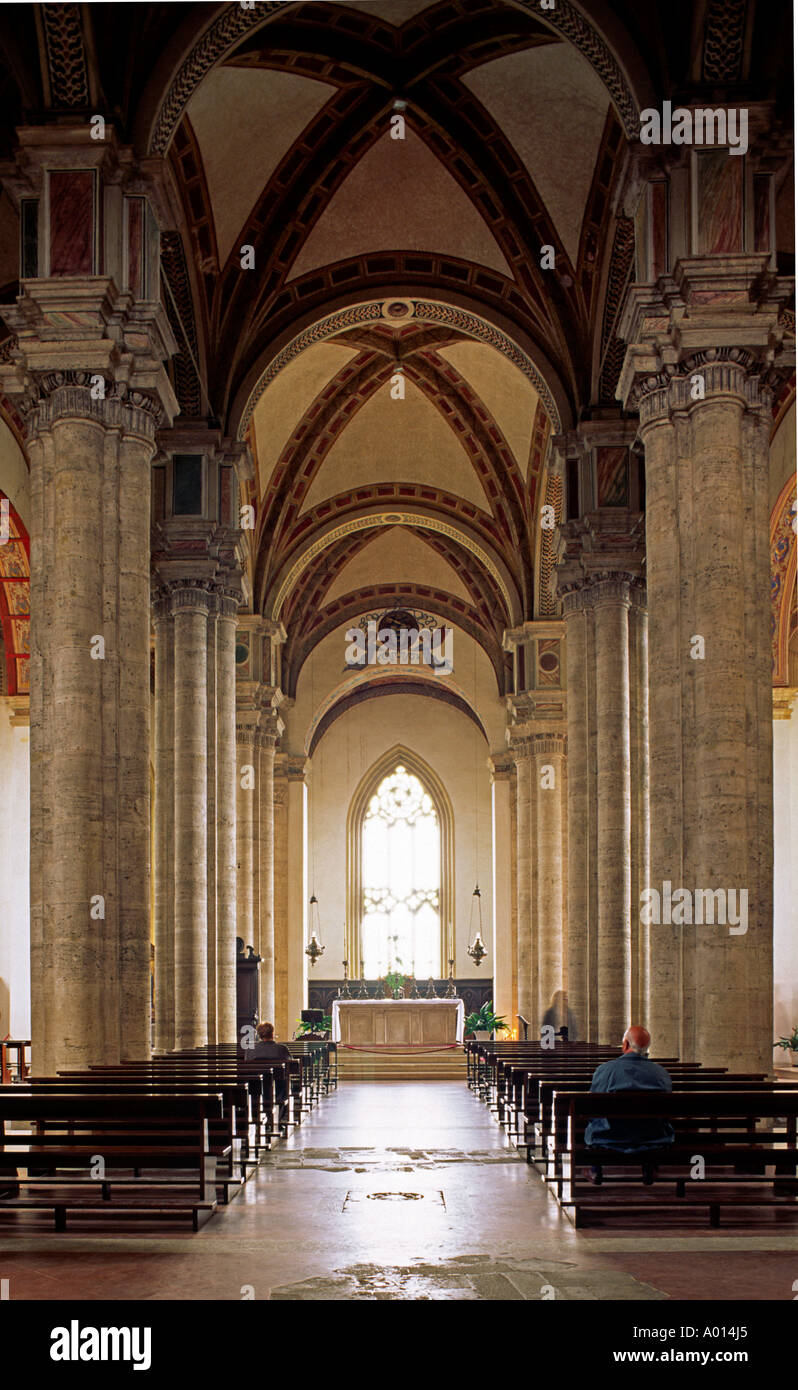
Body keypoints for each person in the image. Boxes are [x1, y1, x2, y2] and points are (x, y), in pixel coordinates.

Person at [584, 1025, 674, 1185]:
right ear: (646, 1047)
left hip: (609, 1136)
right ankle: (649, 1166)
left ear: (625, 1045)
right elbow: (666, 1112)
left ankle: (596, 1169)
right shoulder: (661, 1073)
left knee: (595, 1124)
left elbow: (593, 1108)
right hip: (653, 1137)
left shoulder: (605, 1070)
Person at [252, 1022, 291, 1106]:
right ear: (272, 1034)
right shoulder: (281, 1048)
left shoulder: (250, 1050)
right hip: (278, 1081)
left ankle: (255, 1106)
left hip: (256, 1082)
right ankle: (281, 1107)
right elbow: (290, 1065)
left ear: (259, 1035)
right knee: (284, 1077)